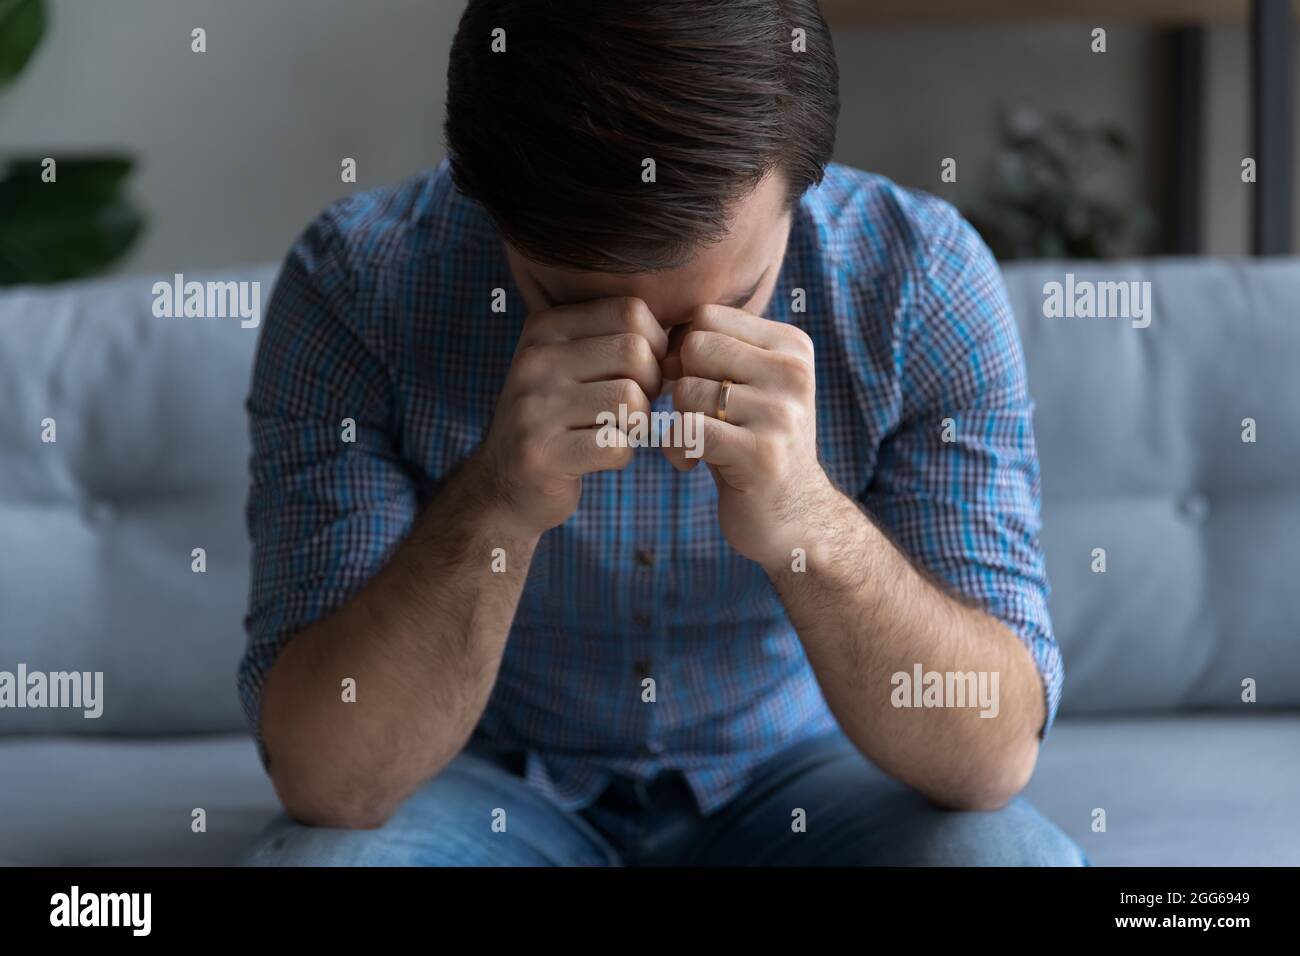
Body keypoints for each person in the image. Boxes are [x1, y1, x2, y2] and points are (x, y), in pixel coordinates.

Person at [239, 0, 1084, 866]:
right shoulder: (356, 283)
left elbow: (993, 757)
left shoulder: (921, 281)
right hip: (482, 779)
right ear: (479, 191)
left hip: (805, 769)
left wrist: (811, 525)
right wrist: (497, 500)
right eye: (571, 306)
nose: (652, 369)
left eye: (731, 303)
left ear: (805, 185)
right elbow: (327, 780)